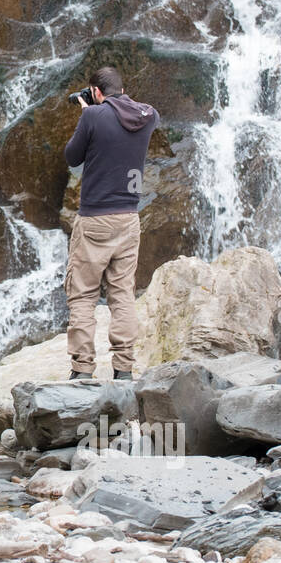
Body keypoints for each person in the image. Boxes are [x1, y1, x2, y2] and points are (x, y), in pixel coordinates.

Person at [62, 65, 158, 381]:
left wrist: (87, 113)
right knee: (122, 295)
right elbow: (125, 116)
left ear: (96, 92)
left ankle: (82, 370)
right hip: (129, 218)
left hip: (94, 220)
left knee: (83, 295)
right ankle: (124, 369)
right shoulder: (148, 115)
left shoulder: (92, 116)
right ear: (123, 89)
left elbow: (72, 156)